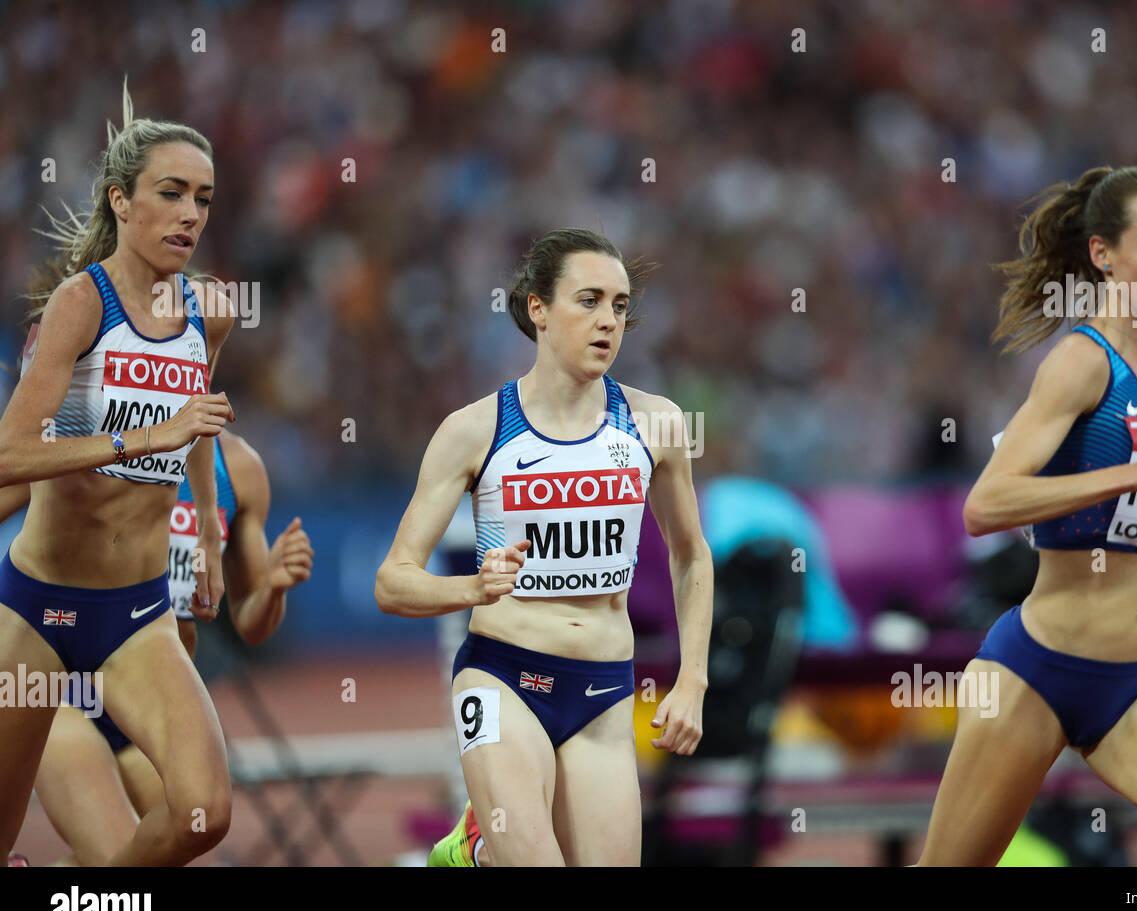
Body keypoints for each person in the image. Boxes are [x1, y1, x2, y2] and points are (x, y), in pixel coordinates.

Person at [917, 166, 1137, 867]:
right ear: (1104, 255)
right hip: (1036, 672)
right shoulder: (1080, 365)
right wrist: (1136, 472)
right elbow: (986, 505)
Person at [377, 228, 713, 866]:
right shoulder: (475, 430)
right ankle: (482, 847)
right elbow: (393, 581)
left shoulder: (656, 423)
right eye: (587, 301)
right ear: (537, 308)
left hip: (604, 689)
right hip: (503, 676)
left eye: (619, 306)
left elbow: (691, 554)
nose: (608, 321)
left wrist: (692, 678)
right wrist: (473, 588)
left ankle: (473, 856)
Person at [0, 82, 238, 865]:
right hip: (35, 610)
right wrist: (137, 441)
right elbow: (10, 455)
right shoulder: (80, 305)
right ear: (121, 202)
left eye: (202, 199)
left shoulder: (212, 309)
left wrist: (206, 520)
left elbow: (198, 417)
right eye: (170, 194)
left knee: (204, 814)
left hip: (137, 615)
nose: (190, 215)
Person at [0, 431, 312, 865]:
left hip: (146, 699)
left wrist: (274, 587)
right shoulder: (97, 434)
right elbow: (13, 468)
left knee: (174, 838)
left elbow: (252, 625)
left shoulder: (237, 469)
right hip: (66, 695)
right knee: (114, 866)